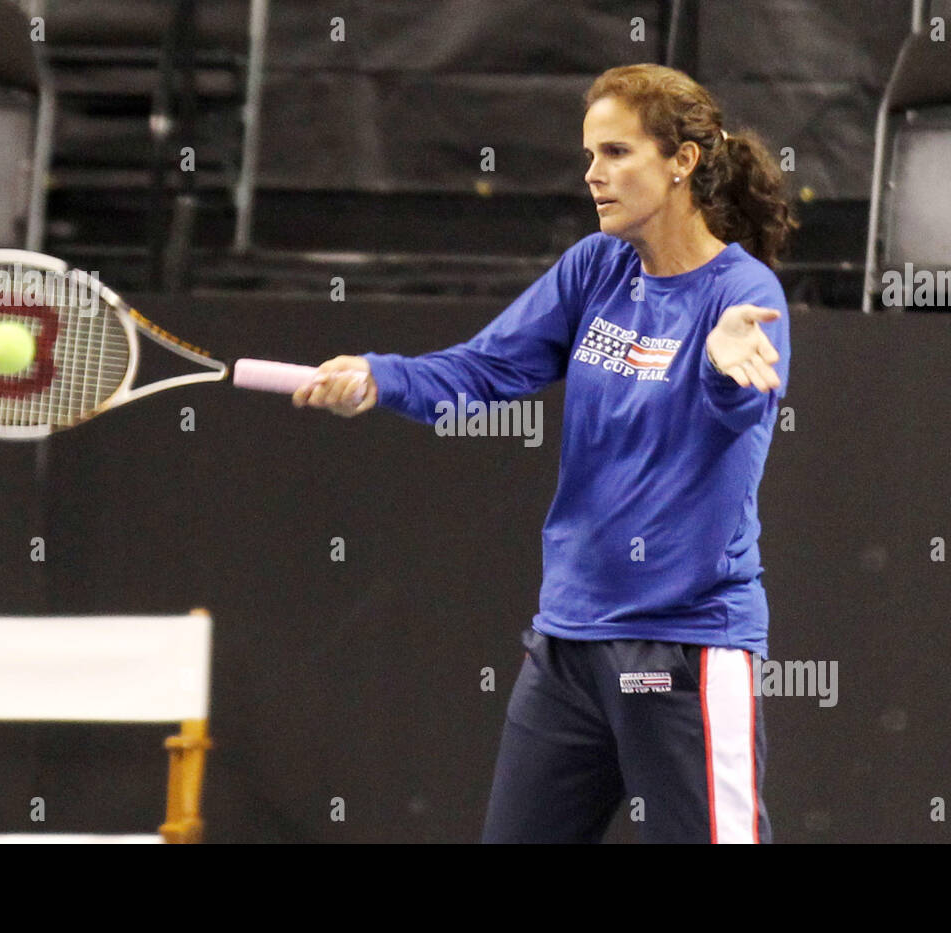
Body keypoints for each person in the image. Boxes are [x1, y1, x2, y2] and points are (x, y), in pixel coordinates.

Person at [292, 63, 797, 843]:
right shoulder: (596, 268)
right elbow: (488, 368)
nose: (593, 175)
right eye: (589, 154)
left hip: (684, 647)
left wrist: (723, 369)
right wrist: (378, 378)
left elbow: (735, 409)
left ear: (682, 162)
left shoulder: (742, 294)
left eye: (617, 153)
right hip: (568, 648)